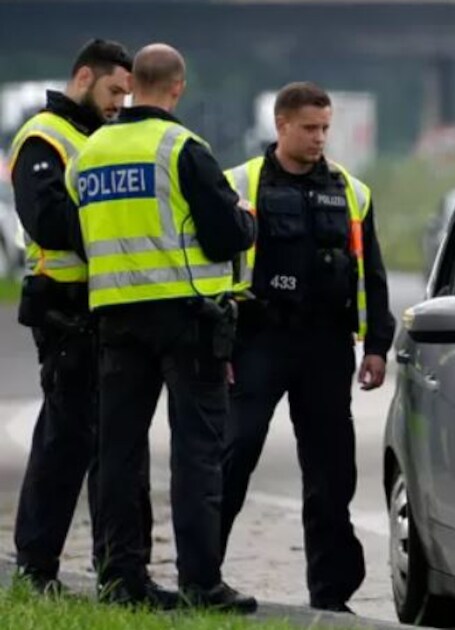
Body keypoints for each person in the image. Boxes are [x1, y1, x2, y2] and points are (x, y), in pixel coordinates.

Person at [68, 43, 257, 611]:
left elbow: (79, 233)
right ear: (178, 87)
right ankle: (201, 582)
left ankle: (121, 579)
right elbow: (225, 235)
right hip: (186, 316)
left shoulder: (89, 153)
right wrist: (246, 218)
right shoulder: (181, 148)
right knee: (196, 452)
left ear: (131, 86)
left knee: (119, 454)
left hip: (115, 317)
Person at [219, 81, 395, 614]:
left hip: (325, 343)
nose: (319, 138)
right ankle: (201, 574)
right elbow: (214, 268)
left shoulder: (352, 191)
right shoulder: (239, 184)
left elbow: (371, 274)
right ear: (281, 126)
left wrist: (377, 344)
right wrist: (219, 347)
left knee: (331, 473)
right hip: (259, 339)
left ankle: (330, 595)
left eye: (325, 128)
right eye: (309, 128)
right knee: (233, 454)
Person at [8, 38, 161, 598]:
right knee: (65, 440)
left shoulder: (104, 138)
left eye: (127, 93)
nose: (121, 102)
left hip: (108, 305)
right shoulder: (44, 137)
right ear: (82, 79)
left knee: (120, 444)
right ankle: (35, 568)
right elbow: (47, 220)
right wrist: (114, 226)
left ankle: (122, 573)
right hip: (64, 308)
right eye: (114, 90)